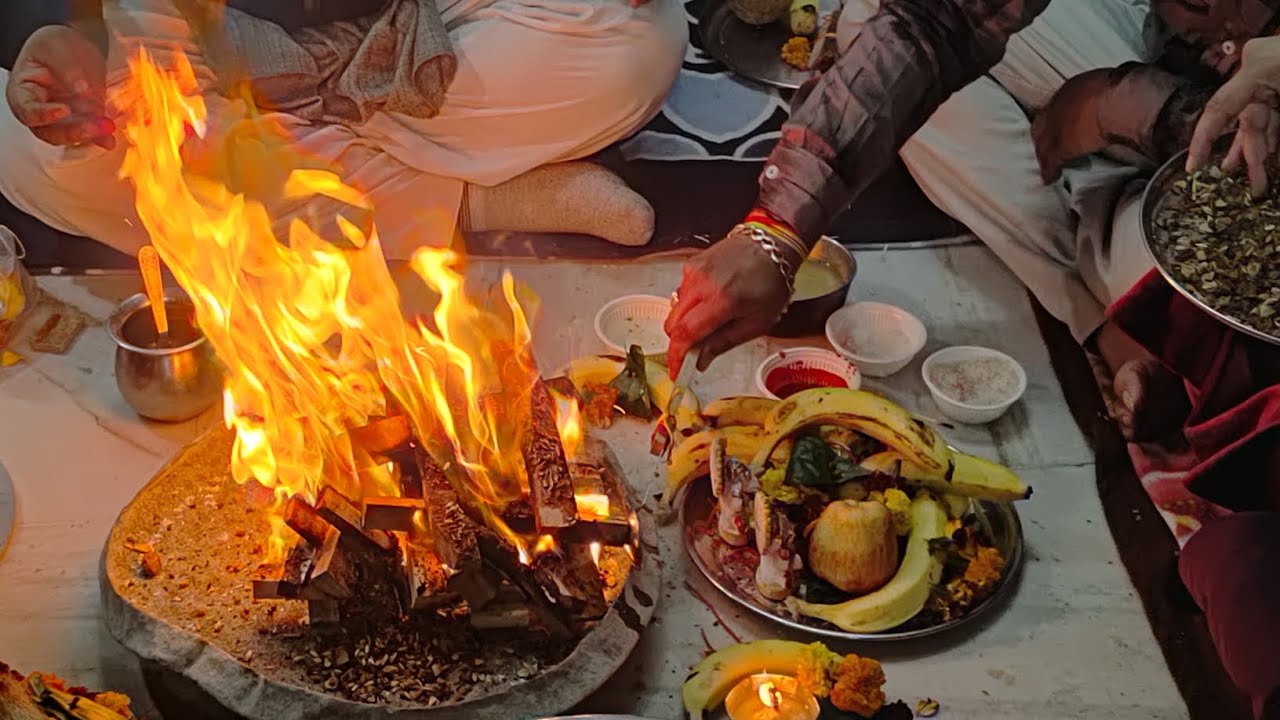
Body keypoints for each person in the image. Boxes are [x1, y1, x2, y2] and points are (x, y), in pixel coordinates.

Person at [664, 0, 1279, 434]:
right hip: (1149, 57)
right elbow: (939, 19)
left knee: (1196, 319)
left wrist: (1117, 105)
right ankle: (1109, 322)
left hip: (1232, 181)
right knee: (878, 47)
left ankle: (1116, 256)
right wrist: (777, 227)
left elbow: (1244, 154)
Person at [0, 0, 687, 258]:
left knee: (635, 45)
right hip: (198, 43)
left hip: (410, 31)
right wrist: (62, 35)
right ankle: (470, 203)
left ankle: (316, 167)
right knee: (36, 140)